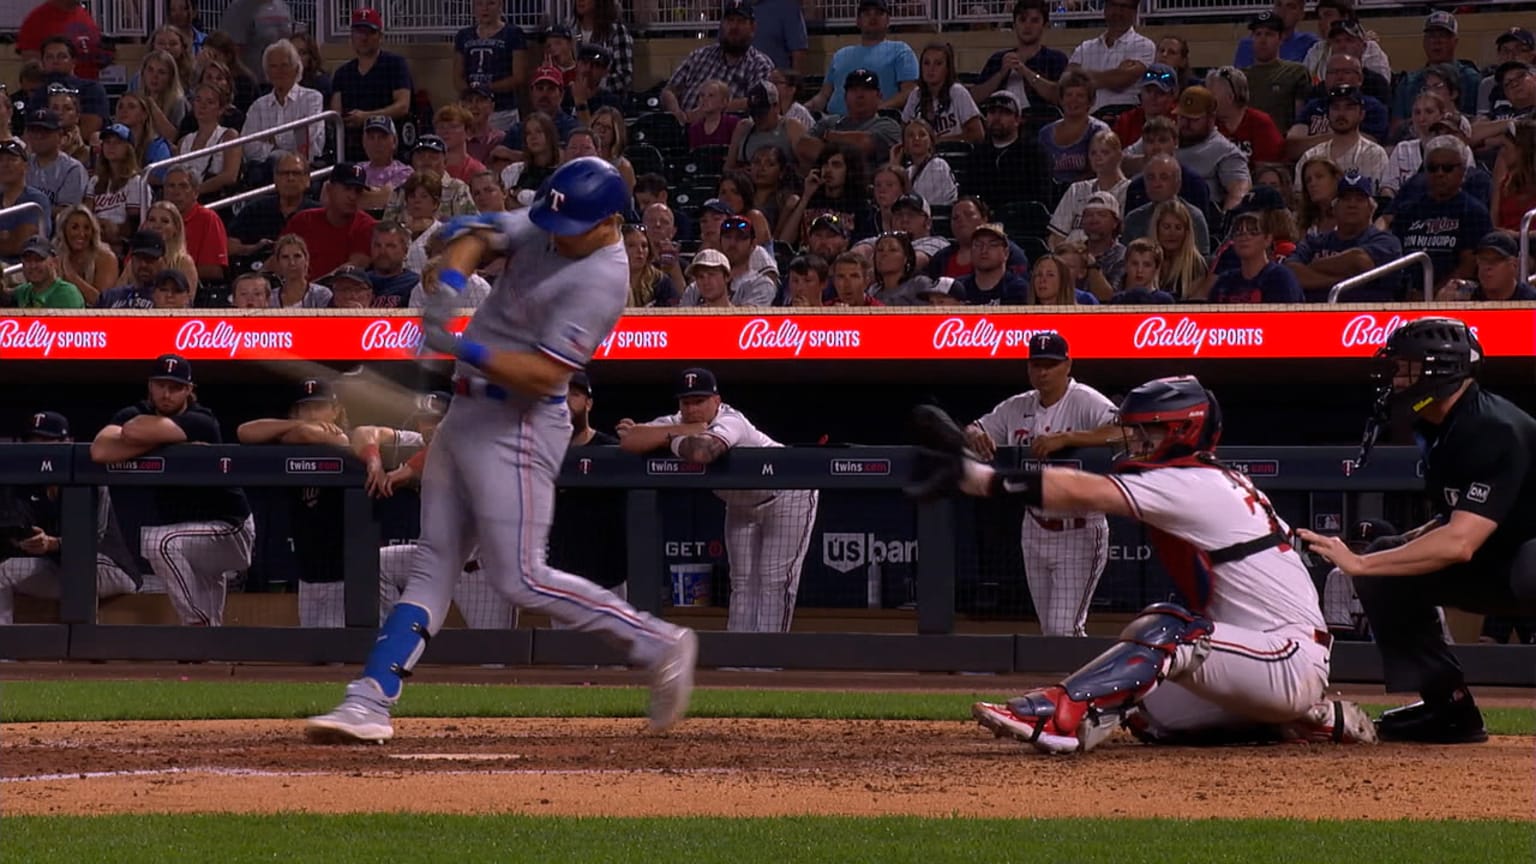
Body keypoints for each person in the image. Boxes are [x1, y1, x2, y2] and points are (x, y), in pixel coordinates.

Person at [306, 157, 698, 744]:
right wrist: (449, 290)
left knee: (520, 578)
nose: (555, 236)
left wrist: (462, 344)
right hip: (465, 412)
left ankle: (659, 642)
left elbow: (544, 376)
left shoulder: (603, 280)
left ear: (609, 223)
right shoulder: (554, 219)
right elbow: (478, 233)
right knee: (432, 563)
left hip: (519, 424)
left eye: (570, 229)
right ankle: (368, 700)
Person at [906, 380, 1375, 754]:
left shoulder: (1194, 481)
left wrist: (977, 478)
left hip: (1286, 655)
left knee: (1169, 628)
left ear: (1181, 431)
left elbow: (1085, 491)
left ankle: (1059, 715)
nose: (1136, 442)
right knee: (1149, 712)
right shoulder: (1210, 479)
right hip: (1254, 657)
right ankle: (1300, 721)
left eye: (1148, 432)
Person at [1298, 318, 1536, 743]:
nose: (1396, 379)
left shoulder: (1493, 427)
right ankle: (1449, 709)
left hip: (1523, 561)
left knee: (1531, 567)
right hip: (1503, 556)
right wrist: (1394, 551)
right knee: (1389, 564)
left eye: (1406, 368)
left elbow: (1460, 543)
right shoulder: (1441, 425)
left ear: (1440, 369)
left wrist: (1361, 563)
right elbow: (1459, 515)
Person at [619, 368, 818, 633]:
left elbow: (702, 452)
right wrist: (683, 430)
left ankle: (769, 652)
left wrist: (670, 438)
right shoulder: (678, 421)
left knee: (774, 582)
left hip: (786, 493)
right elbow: (630, 440)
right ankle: (739, 652)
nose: (692, 409)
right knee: (742, 582)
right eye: (686, 402)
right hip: (742, 501)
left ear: (716, 401)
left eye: (699, 401)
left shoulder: (731, 420)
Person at [965, 333, 1116, 635]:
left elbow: (1127, 431)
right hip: (1033, 528)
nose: (1043, 372)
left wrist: (1069, 438)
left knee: (1062, 630)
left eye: (1051, 364)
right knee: (1051, 631)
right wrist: (975, 434)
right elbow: (974, 428)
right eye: (1037, 365)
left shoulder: (1085, 400)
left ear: (1068, 365)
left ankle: (1089, 668)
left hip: (1079, 529)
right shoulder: (1016, 406)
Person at [89, 355, 255, 627]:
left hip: (229, 529)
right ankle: (207, 639)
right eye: (160, 385)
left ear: (189, 389)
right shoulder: (135, 411)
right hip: (189, 536)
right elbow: (101, 450)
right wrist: (167, 443)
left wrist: (140, 441)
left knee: (157, 542)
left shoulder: (202, 420)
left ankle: (196, 624)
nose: (166, 394)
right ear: (150, 385)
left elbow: (133, 431)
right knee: (210, 623)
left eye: (175, 387)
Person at [0, 410, 139, 626]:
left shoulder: (90, 481)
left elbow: (95, 540)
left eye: (46, 441)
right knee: (4, 571)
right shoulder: (26, 485)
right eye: (33, 441)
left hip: (109, 568)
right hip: (59, 567)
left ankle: (87, 639)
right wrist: (23, 541)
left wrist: (53, 544)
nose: (38, 448)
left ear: (68, 442)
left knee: (79, 564)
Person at [235, 377, 353, 628]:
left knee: (336, 647)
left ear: (336, 411)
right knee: (311, 645)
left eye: (318, 407)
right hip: (308, 575)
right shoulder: (292, 438)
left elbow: (310, 434)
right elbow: (245, 431)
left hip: (344, 576)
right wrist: (297, 425)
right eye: (304, 408)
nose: (311, 414)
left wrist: (299, 429)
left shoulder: (345, 438)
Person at [1387, 136, 1491, 291]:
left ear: (1463, 171)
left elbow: (1468, 266)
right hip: (1409, 293)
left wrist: (1432, 294)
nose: (1439, 173)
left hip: (1455, 292)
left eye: (1447, 168)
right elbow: (1396, 259)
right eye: (1433, 168)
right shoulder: (1408, 211)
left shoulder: (1473, 212)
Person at [1286, 171, 1403, 302]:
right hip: (1316, 311)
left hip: (1369, 312)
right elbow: (1290, 273)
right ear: (1334, 208)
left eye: (1359, 199)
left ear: (1371, 208)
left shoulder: (1386, 241)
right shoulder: (1314, 241)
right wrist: (1342, 282)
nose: (1352, 204)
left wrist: (1312, 267)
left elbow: (1358, 260)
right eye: (1345, 199)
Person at [660, 0, 775, 119]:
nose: (734, 27)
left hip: (729, 129)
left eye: (741, 21)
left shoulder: (760, 65)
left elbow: (757, 100)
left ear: (753, 27)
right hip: (681, 127)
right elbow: (669, 90)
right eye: (730, 20)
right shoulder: (699, 56)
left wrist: (708, 111)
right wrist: (677, 115)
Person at [806, 0, 918, 116]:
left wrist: (878, 109)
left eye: (878, 13)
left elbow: (909, 92)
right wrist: (805, 109)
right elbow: (824, 95)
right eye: (867, 14)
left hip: (878, 120)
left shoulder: (901, 51)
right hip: (833, 120)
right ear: (858, 21)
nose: (873, 17)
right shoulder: (840, 55)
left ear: (888, 20)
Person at [330, 8, 414, 163]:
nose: (364, 38)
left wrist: (366, 117)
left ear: (380, 36)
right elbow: (336, 114)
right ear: (351, 36)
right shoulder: (343, 73)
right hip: (352, 149)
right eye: (359, 32)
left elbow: (403, 106)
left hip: (389, 148)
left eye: (370, 32)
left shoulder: (395, 64)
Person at [283, 163, 378, 280]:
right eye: (347, 188)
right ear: (329, 189)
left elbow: (352, 270)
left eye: (357, 191)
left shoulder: (367, 226)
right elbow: (277, 260)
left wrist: (312, 288)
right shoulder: (303, 220)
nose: (352, 196)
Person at [972, 0, 1069, 110]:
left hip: (1041, 119)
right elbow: (974, 98)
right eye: (1022, 20)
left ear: (1045, 26)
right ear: (1014, 25)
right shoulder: (997, 59)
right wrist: (1001, 74)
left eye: (1034, 21)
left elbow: (1061, 97)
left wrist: (1026, 72)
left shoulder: (1055, 58)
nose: (1027, 26)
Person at [1064, 0, 1155, 116]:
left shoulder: (1144, 45)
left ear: (1134, 12)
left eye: (1123, 6)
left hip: (1124, 119)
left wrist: (1080, 76)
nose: (1118, 11)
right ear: (1105, 9)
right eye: (1113, 5)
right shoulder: (1085, 47)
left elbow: (1120, 80)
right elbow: (1068, 81)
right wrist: (1112, 76)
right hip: (1086, 120)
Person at [454, 0, 529, 132]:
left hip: (503, 110)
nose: (485, 8)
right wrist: (471, 96)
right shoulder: (463, 35)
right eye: (479, 4)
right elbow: (457, 75)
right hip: (470, 111)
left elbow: (519, 77)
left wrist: (486, 90)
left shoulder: (513, 33)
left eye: (491, 3)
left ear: (500, 5)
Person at [1210, 210, 1304, 303]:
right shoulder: (1224, 282)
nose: (1244, 237)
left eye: (1253, 232)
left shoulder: (1281, 279)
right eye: (1238, 233)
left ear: (1268, 239)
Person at [1240, 12, 1310, 132]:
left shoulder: (1296, 72)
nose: (1262, 40)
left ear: (1281, 38)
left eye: (1269, 34)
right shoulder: (1240, 77)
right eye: (1258, 34)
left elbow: (1300, 119)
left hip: (1283, 139)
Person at [903, 42, 982, 143]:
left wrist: (937, 141)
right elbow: (904, 132)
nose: (931, 69)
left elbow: (977, 135)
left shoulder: (958, 92)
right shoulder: (915, 95)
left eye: (938, 64)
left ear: (947, 69)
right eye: (926, 63)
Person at [1206, 67, 1284, 167]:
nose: (1207, 100)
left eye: (1211, 95)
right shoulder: (1207, 124)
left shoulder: (1260, 123)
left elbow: (1269, 168)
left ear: (1230, 98)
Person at [1435, 230, 1536, 302]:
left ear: (1514, 264)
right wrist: (1442, 304)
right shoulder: (1465, 298)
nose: (1487, 267)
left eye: (1495, 260)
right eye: (1483, 260)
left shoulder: (1530, 301)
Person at [951, 222, 1029, 305]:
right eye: (978, 244)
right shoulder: (958, 289)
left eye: (992, 245)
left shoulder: (1019, 290)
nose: (984, 250)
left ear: (1006, 253)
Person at [1232, 0, 1316, 68]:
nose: (1282, 12)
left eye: (1290, 6)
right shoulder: (1248, 44)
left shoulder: (1310, 44)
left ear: (1301, 14)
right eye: (1279, 5)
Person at [10, 235, 84, 309]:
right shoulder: (23, 291)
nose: (33, 266)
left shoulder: (67, 293)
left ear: (55, 262)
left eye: (39, 259)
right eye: (28, 260)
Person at [1108, 238, 1175, 304]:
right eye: (1135, 264)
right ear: (1126, 266)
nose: (1139, 270)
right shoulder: (1118, 300)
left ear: (1156, 268)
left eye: (1147, 265)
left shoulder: (1164, 301)